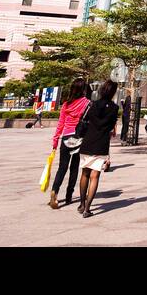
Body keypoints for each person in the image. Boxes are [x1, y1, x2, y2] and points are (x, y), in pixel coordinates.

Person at [76, 80, 120, 218]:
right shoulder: (114, 108)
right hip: (101, 143)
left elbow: (85, 120)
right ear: (113, 92)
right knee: (95, 176)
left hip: (88, 141)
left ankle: (82, 203)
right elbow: (112, 126)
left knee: (85, 174)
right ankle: (87, 209)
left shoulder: (93, 104)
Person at [48, 80, 89, 209]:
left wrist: (55, 140)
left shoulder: (66, 104)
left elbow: (60, 124)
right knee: (74, 167)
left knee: (62, 167)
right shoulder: (86, 103)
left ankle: (55, 190)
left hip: (66, 137)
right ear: (83, 90)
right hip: (78, 138)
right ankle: (69, 195)